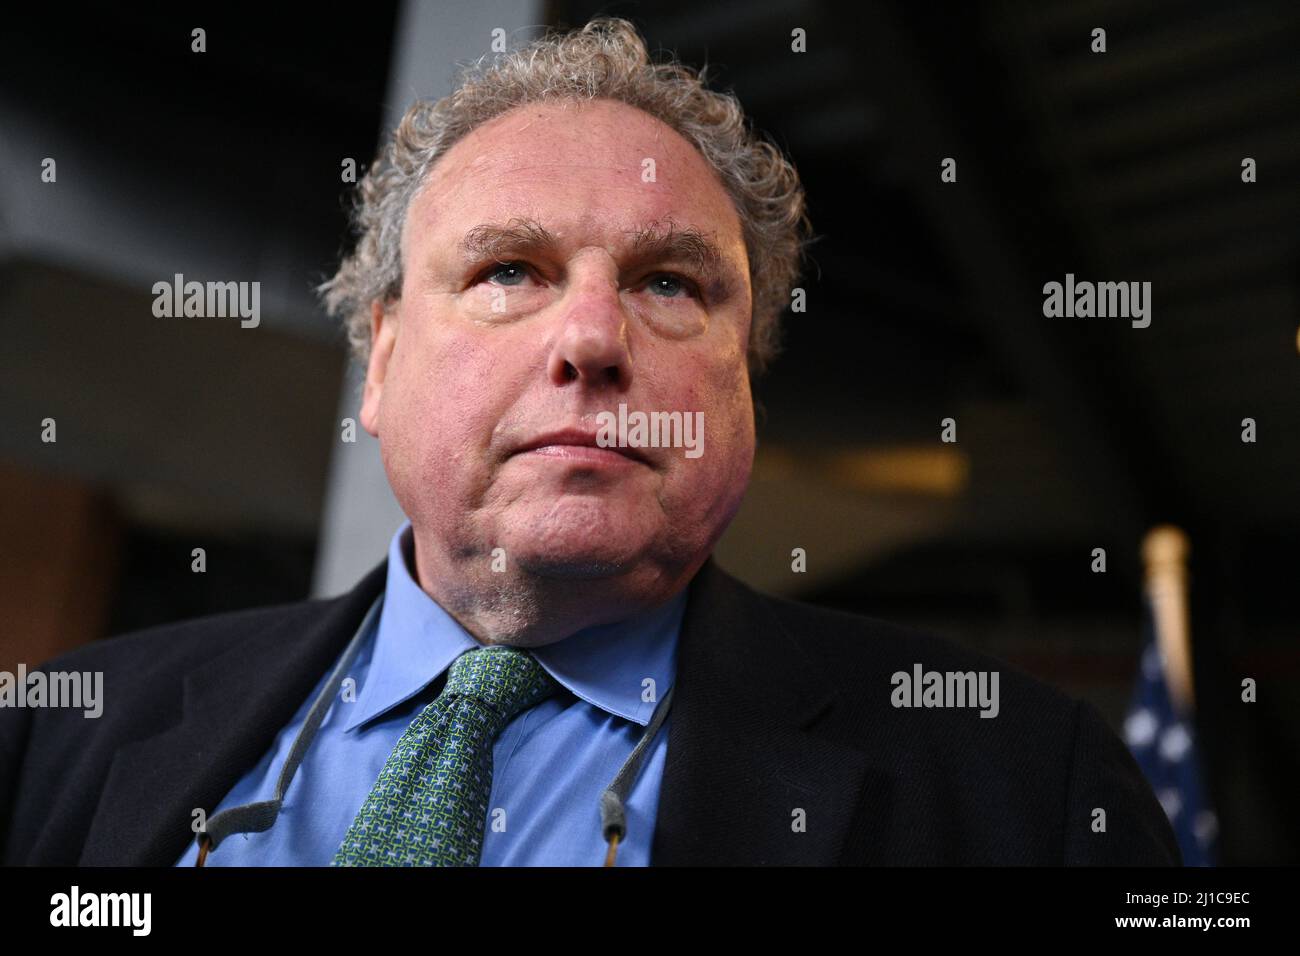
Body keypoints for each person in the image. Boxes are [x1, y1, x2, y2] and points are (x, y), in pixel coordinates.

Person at [0, 17, 1179, 867]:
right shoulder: (53, 732)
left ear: (745, 386)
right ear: (383, 357)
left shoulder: (1022, 789)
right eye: (510, 269)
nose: (591, 339)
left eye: (670, 283)